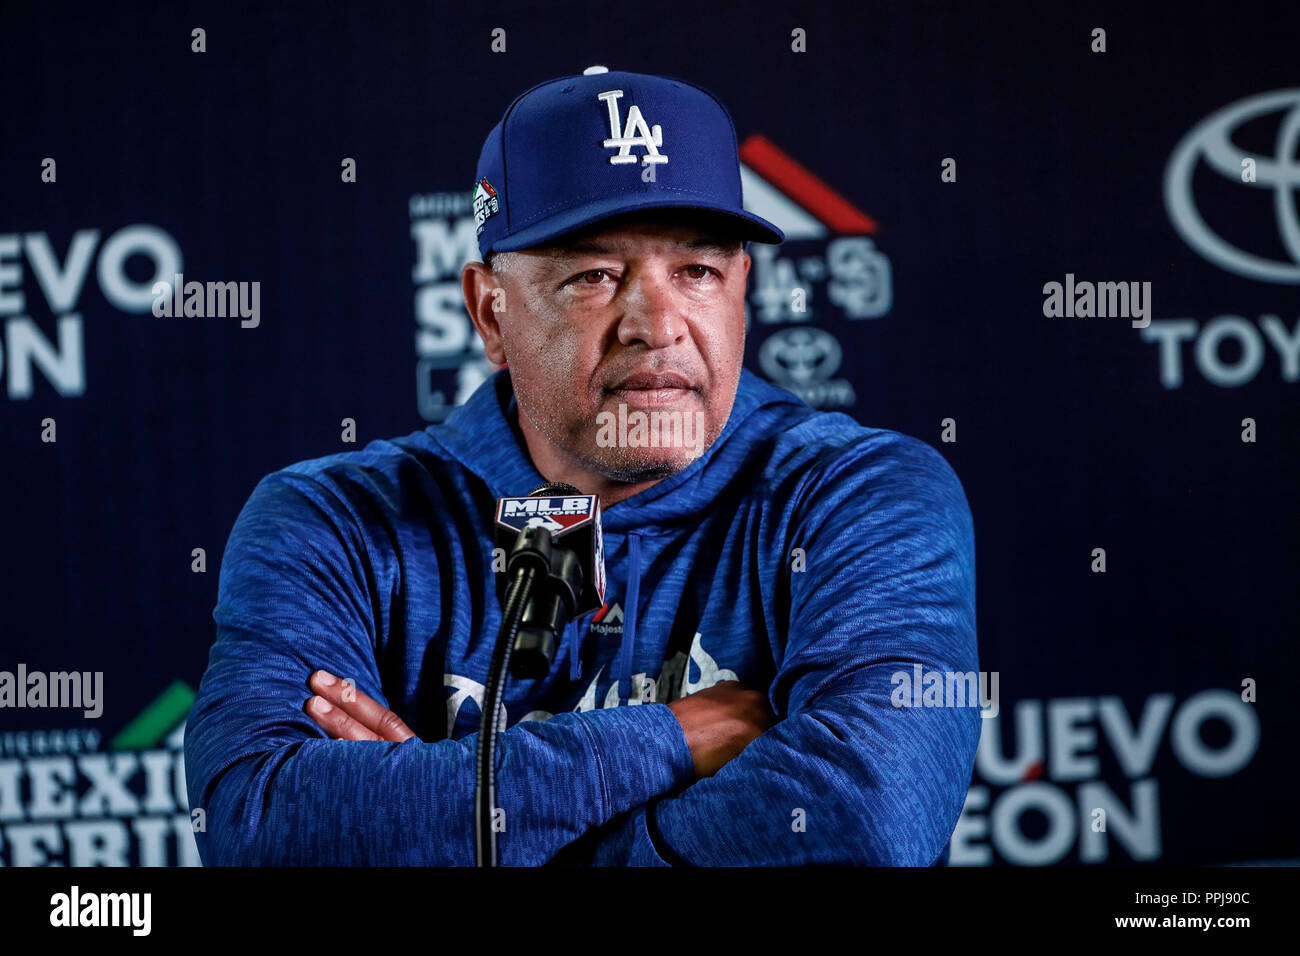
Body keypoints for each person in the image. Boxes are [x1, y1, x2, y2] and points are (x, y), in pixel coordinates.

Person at [184, 66, 979, 866]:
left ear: (742, 286)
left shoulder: (858, 495)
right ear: (490, 311)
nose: (657, 325)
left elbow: (865, 818)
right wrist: (669, 740)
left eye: (696, 270)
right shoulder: (336, 521)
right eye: (594, 276)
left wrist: (442, 818)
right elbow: (255, 828)